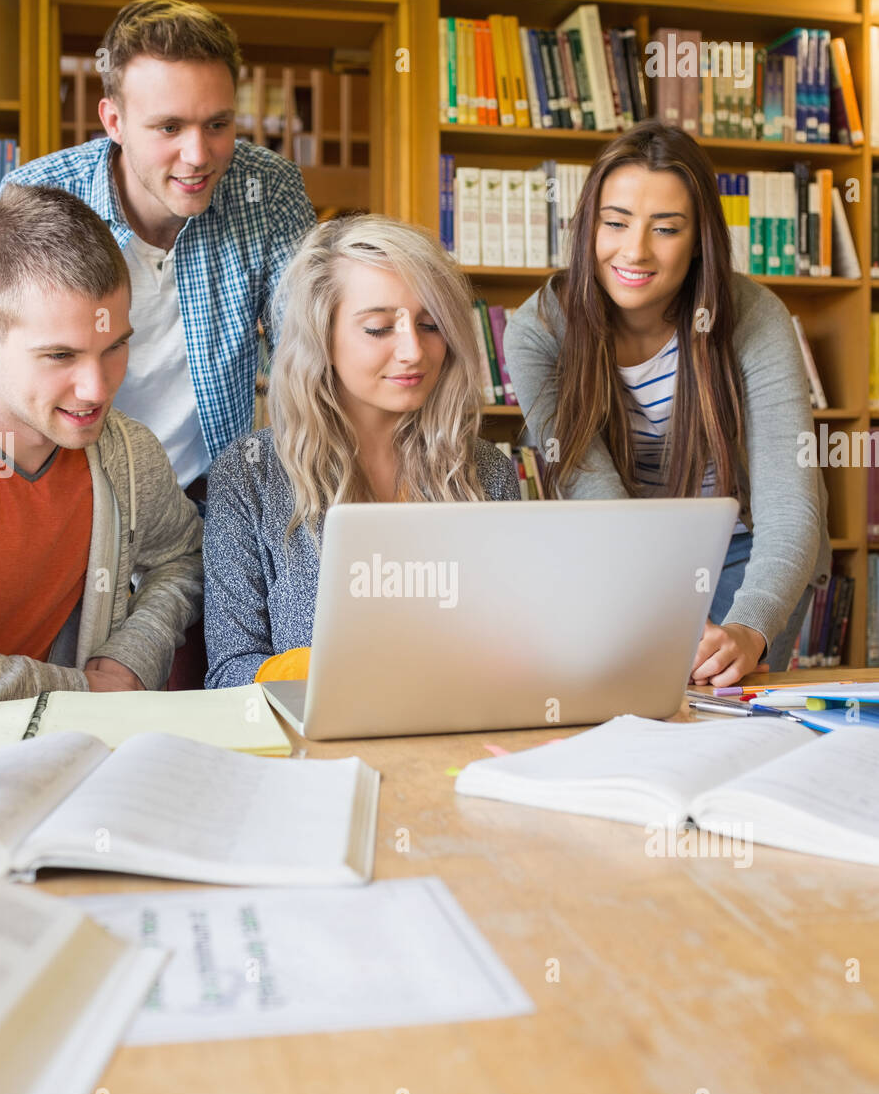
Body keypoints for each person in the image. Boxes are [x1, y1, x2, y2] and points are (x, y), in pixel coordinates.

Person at [0, 0, 317, 499]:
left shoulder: (267, 188)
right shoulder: (37, 193)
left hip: (210, 503)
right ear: (113, 121)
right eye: (169, 127)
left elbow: (312, 343)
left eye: (217, 125)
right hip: (67, 495)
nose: (198, 155)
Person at [503, 121, 830, 686]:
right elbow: (593, 491)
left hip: (744, 550)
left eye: (666, 228)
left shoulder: (754, 318)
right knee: (623, 703)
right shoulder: (538, 332)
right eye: (616, 222)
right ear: (589, 226)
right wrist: (662, 609)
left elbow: (789, 505)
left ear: (700, 235)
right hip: (621, 549)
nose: (636, 250)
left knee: (723, 704)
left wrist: (749, 629)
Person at [203, 215, 520, 688]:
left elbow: (514, 645)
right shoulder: (248, 475)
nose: (414, 351)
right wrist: (357, 670)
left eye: (431, 324)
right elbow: (230, 670)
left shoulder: (486, 470)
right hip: (311, 752)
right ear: (322, 337)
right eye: (378, 328)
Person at [0, 184, 203, 706]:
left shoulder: (129, 453)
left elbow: (183, 557)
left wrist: (133, 654)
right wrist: (79, 689)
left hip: (57, 751)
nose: (98, 390)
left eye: (115, 347)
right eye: (60, 356)